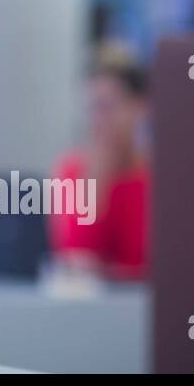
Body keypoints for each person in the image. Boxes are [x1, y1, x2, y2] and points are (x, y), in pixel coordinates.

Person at [46, 55, 151, 281]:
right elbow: (73, 260)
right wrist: (95, 184)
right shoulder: (71, 172)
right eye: (92, 108)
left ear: (140, 107)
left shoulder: (155, 178)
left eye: (108, 107)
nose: (99, 119)